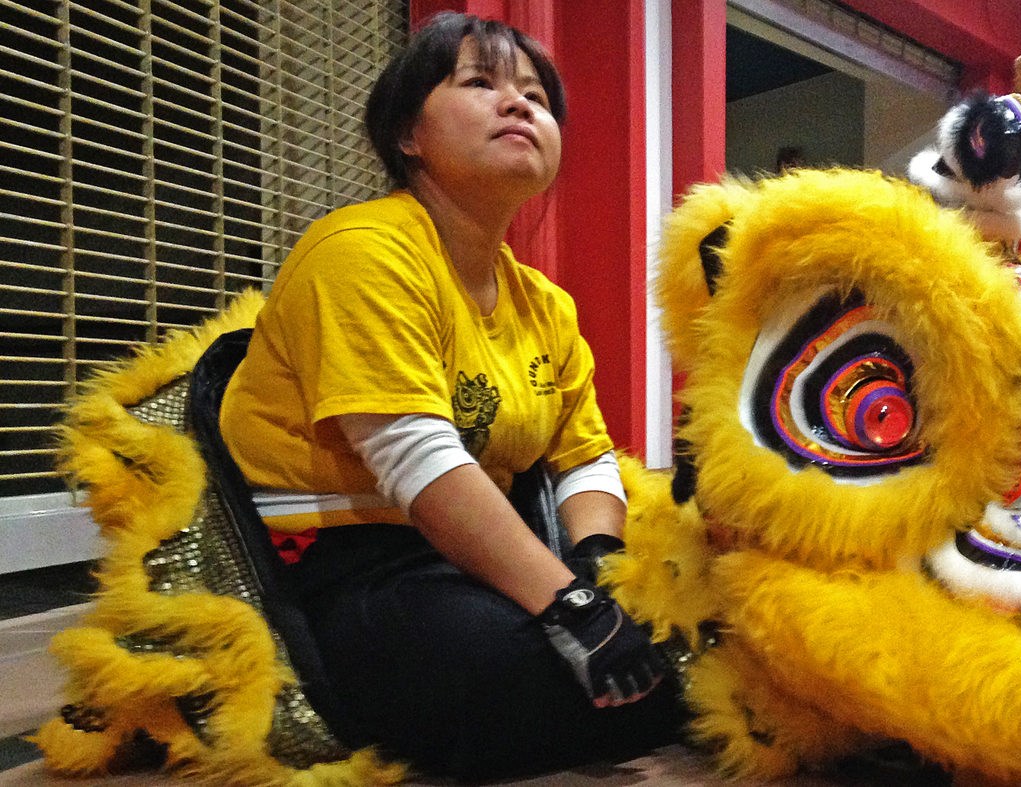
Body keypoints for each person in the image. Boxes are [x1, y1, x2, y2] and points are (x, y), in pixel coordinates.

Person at [218, 13, 683, 779]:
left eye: (535, 95)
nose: (519, 105)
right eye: (479, 83)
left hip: (460, 560)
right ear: (408, 135)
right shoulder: (361, 249)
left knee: (678, 630)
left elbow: (584, 456)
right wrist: (571, 607)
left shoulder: (546, 305)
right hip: (334, 566)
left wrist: (599, 566)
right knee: (505, 673)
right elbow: (417, 460)